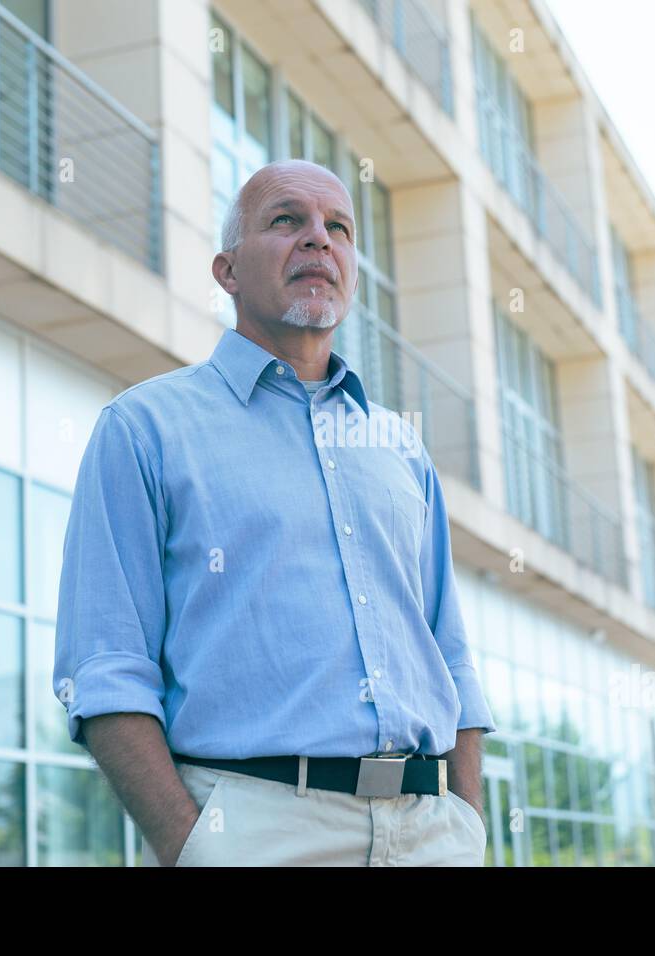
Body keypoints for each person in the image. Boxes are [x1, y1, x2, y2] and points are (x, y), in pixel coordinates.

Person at [53, 158, 496, 866]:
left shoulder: (401, 448)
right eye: (287, 220)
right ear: (227, 272)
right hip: (255, 835)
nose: (319, 240)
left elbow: (450, 657)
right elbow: (104, 667)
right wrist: (187, 843)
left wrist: (467, 822)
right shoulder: (144, 429)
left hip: (431, 835)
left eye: (339, 228)